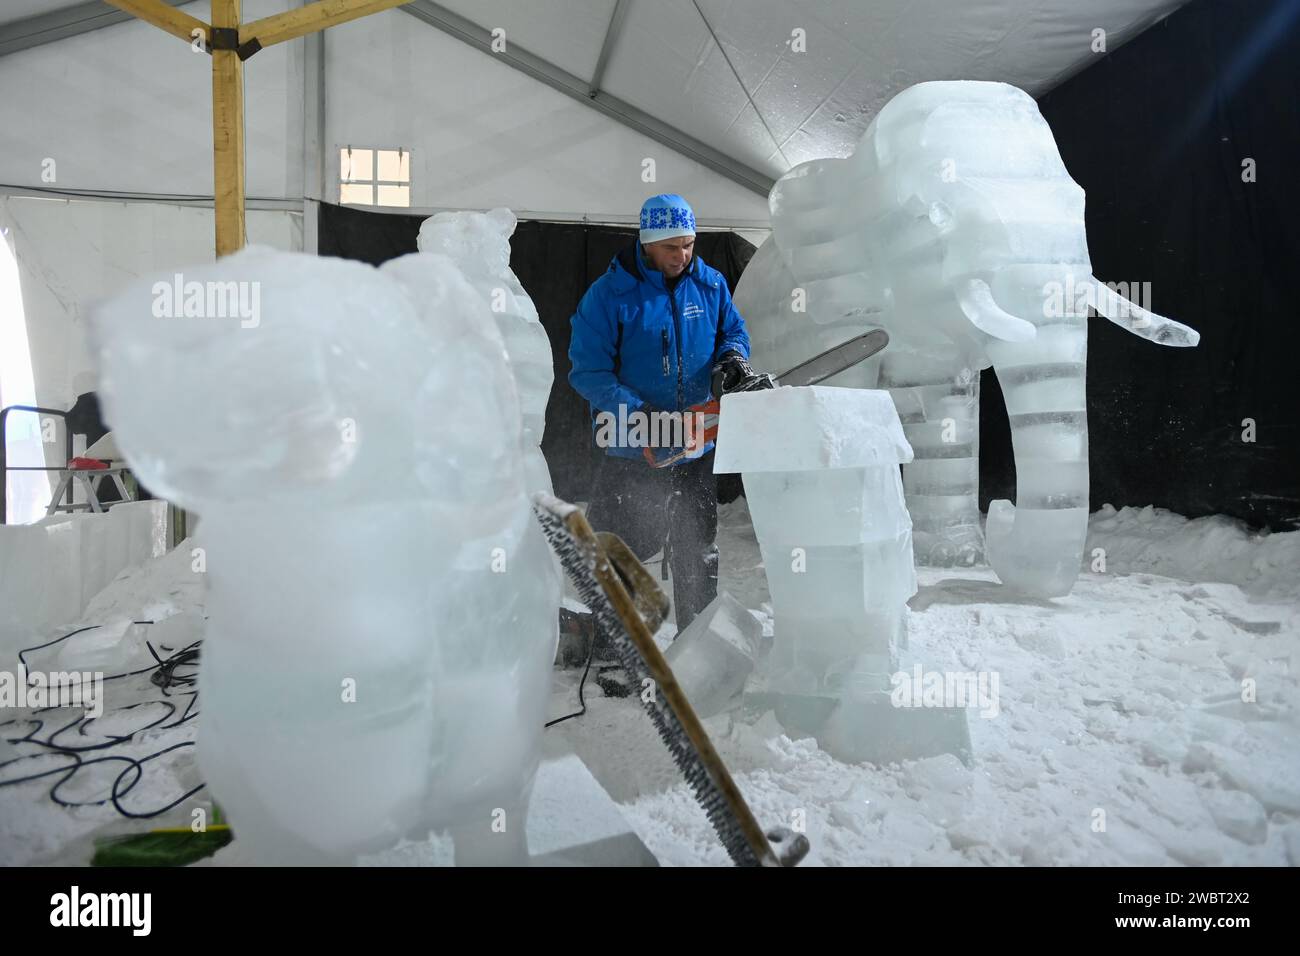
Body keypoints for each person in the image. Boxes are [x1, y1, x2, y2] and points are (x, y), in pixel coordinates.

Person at [568, 194, 763, 632]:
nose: (683, 255)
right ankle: (610, 644)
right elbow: (588, 372)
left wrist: (732, 356)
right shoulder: (610, 295)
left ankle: (698, 636)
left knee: (697, 545)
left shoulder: (710, 284)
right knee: (620, 546)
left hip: (695, 442)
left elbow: (733, 330)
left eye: (689, 244)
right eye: (672, 247)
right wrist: (640, 413)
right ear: (647, 243)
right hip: (634, 446)